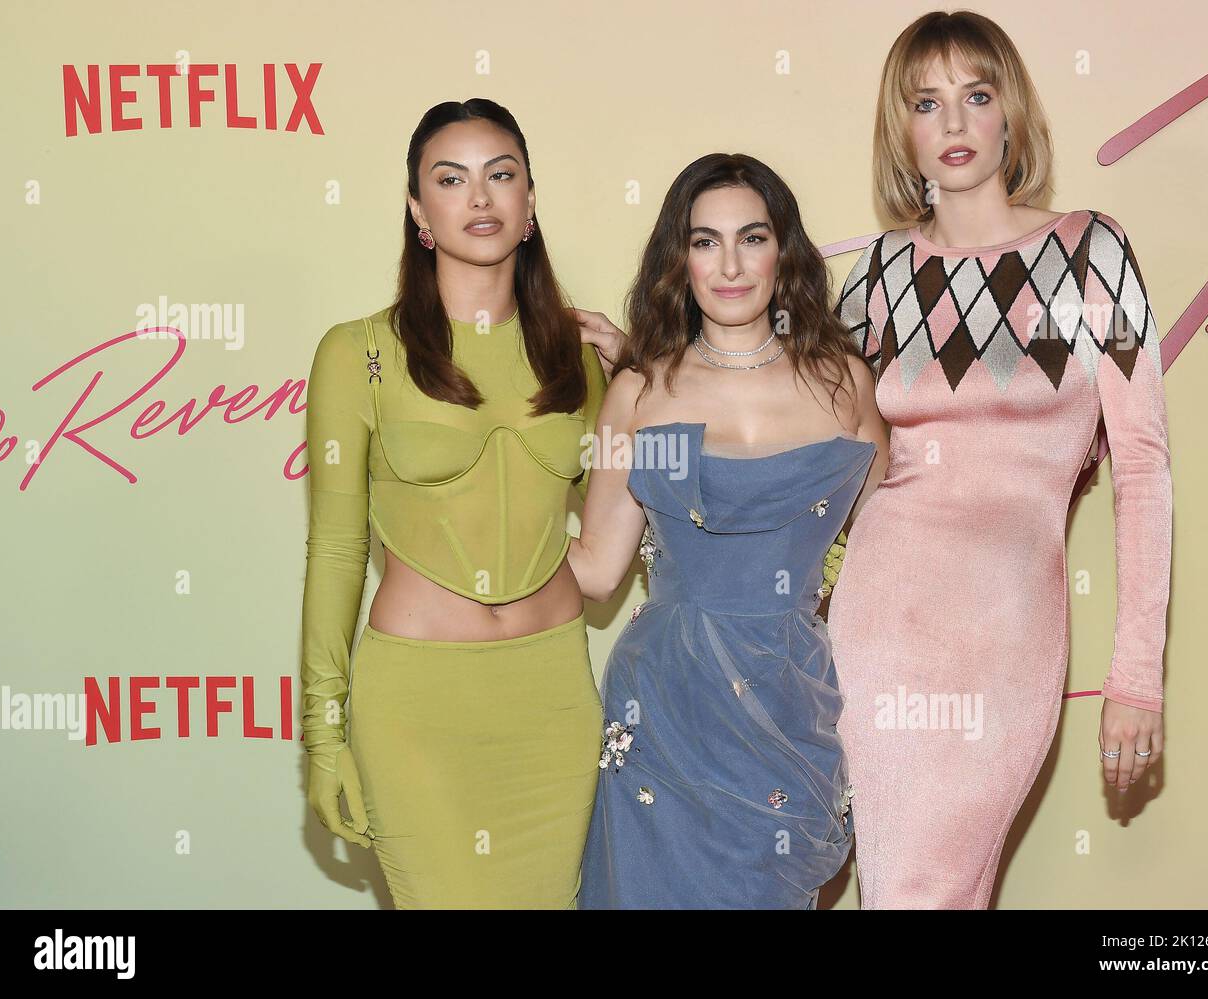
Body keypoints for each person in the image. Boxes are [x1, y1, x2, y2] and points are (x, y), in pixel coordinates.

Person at [825, 10, 1172, 908]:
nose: (952, 123)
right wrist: (648, 362)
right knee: (915, 889)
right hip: (879, 619)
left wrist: (1136, 674)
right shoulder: (874, 277)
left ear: (1009, 114)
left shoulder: (1093, 250)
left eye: (976, 96)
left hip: (1008, 626)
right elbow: (801, 425)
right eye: (925, 102)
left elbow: (1141, 466)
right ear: (899, 129)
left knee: (926, 885)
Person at [299, 98, 608, 908]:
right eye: (451, 178)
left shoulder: (579, 354)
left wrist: (648, 368)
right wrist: (323, 730)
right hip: (418, 709)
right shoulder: (359, 353)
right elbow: (335, 548)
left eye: (501, 175)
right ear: (417, 210)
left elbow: (649, 507)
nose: (480, 197)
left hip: (553, 701)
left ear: (530, 202)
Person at [567, 153, 889, 908]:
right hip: (665, 712)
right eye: (705, 241)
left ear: (786, 252)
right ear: (679, 259)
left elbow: (889, 546)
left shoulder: (845, 386)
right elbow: (594, 570)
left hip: (788, 703)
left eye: (752, 237)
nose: (731, 264)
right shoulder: (638, 394)